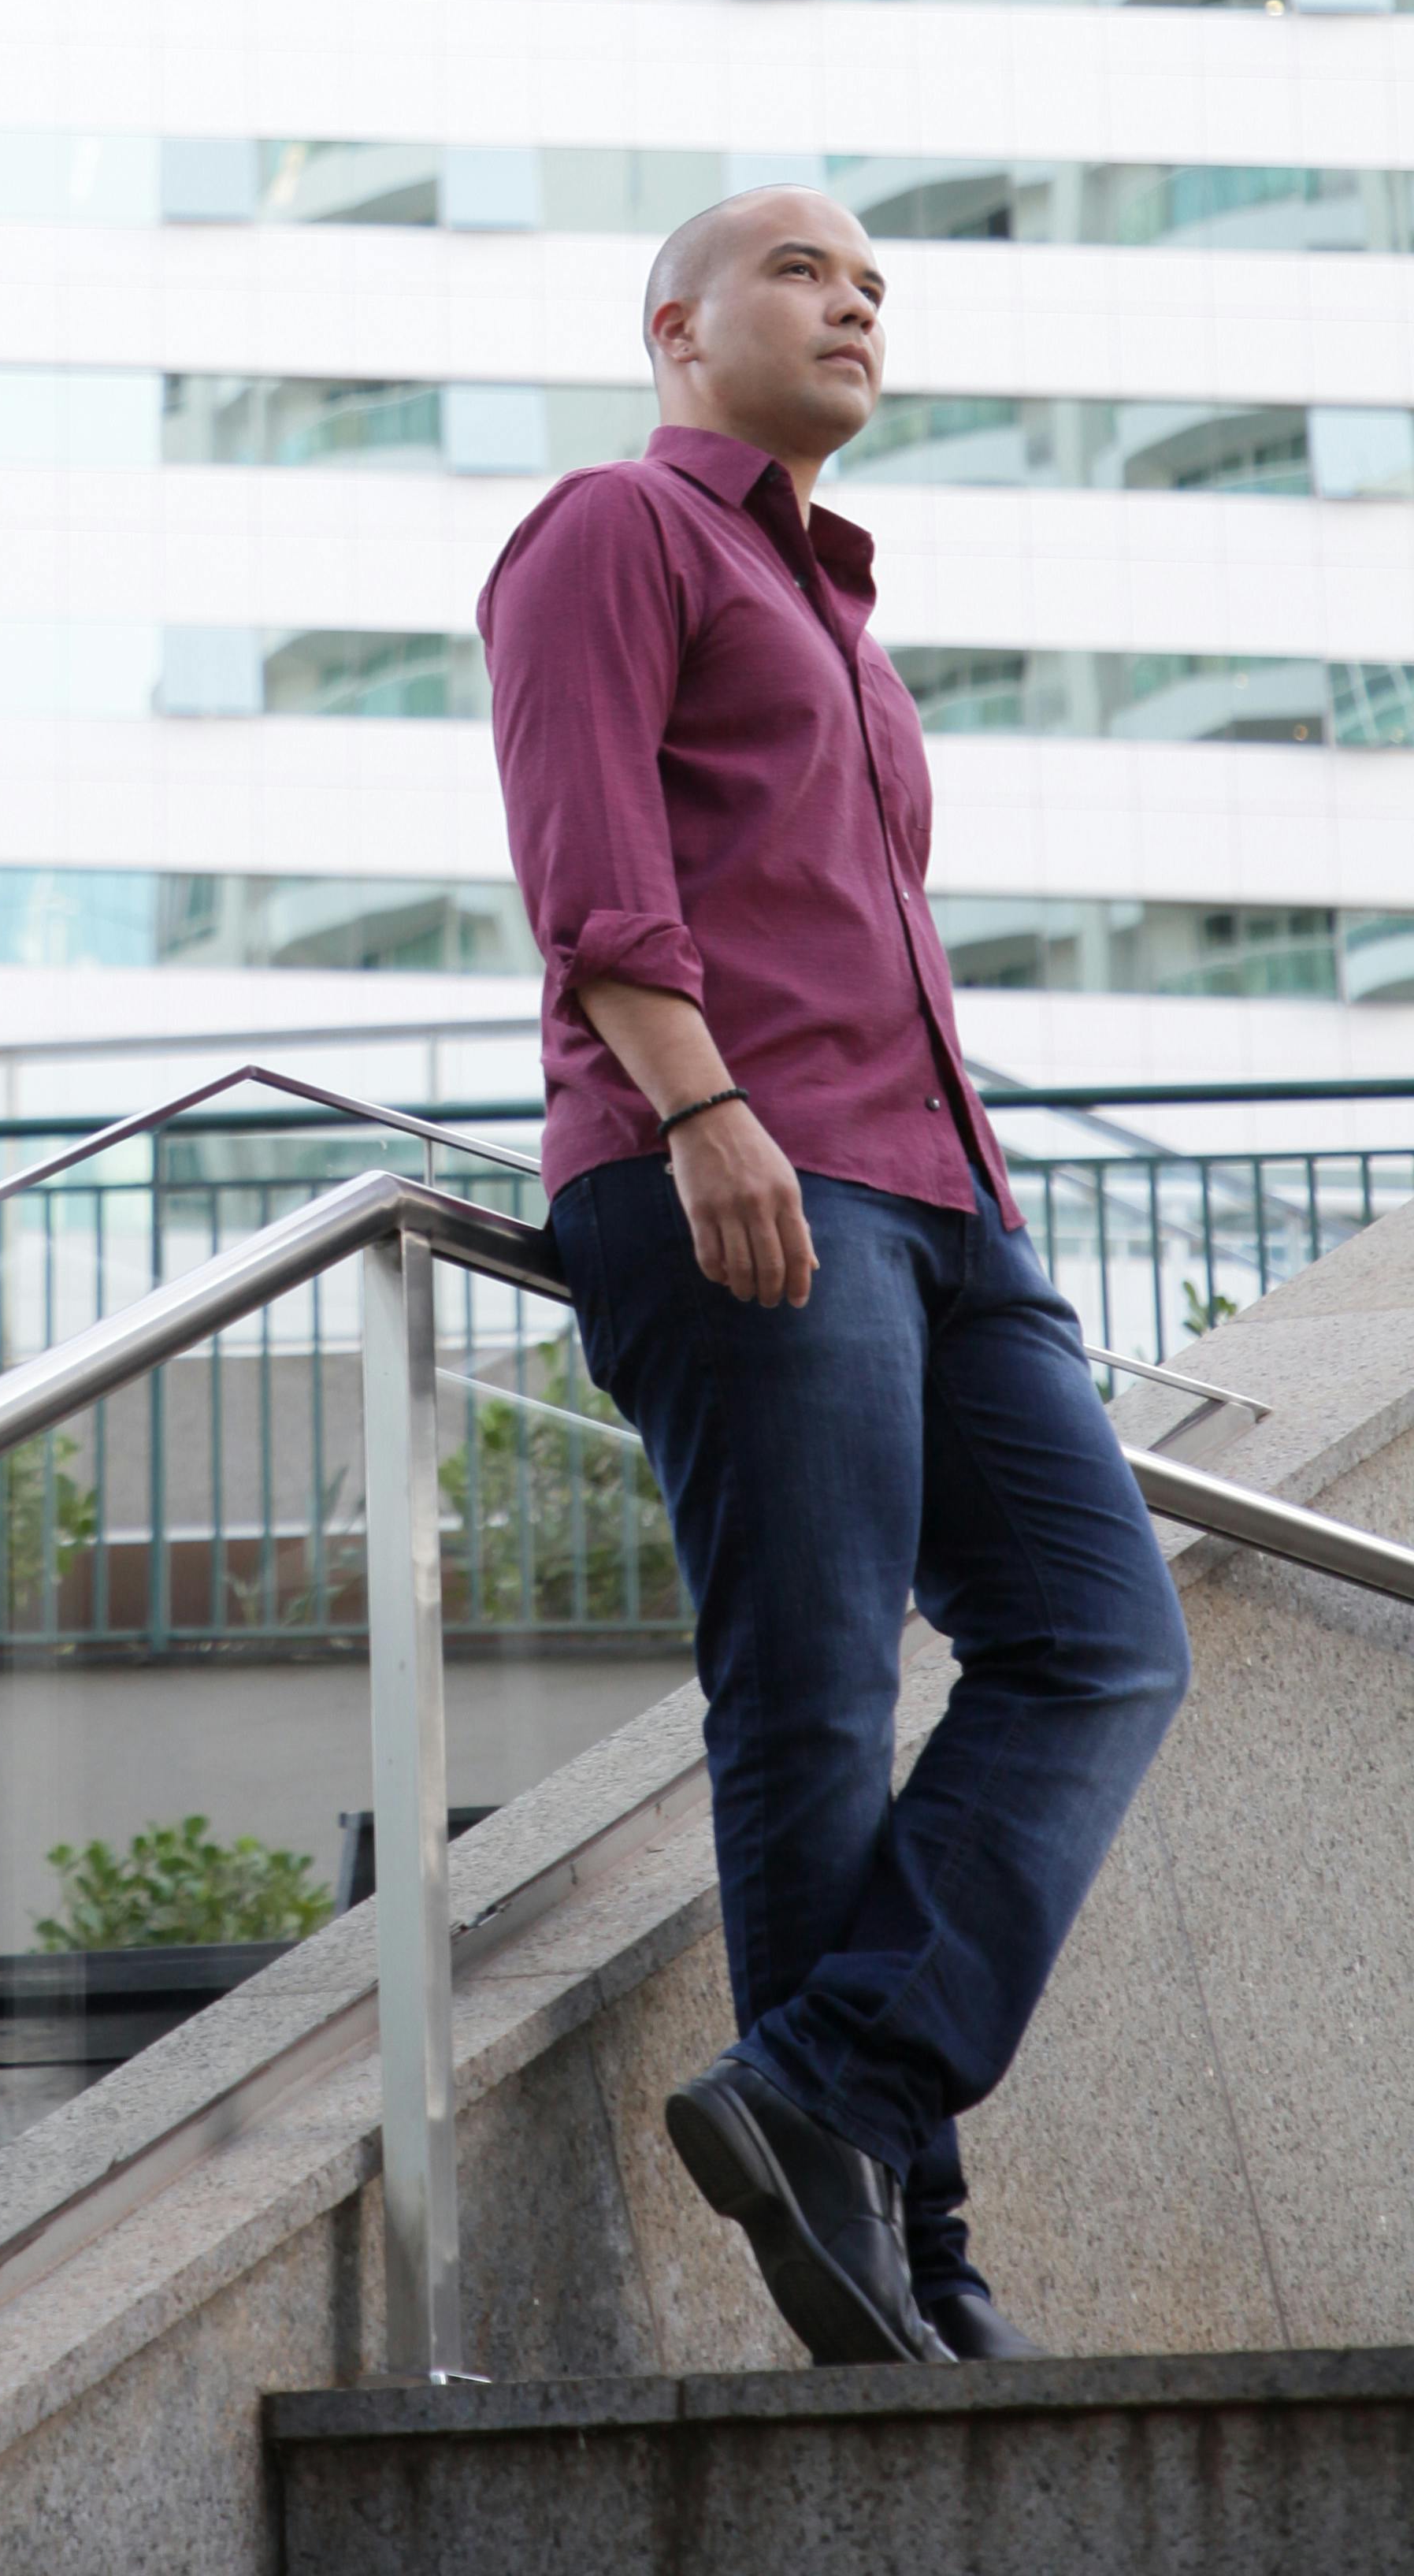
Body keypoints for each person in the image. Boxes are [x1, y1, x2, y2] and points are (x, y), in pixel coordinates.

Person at [477, 187, 1190, 2366]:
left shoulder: (845, 618)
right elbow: (590, 871)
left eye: (878, 281)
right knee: (808, 1696)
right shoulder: (614, 529)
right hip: (744, 1170)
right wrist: (705, 1118)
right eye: (807, 269)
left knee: (1099, 1638)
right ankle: (903, 2274)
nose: (857, 297)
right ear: (677, 320)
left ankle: (840, 2098)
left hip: (945, 1199)